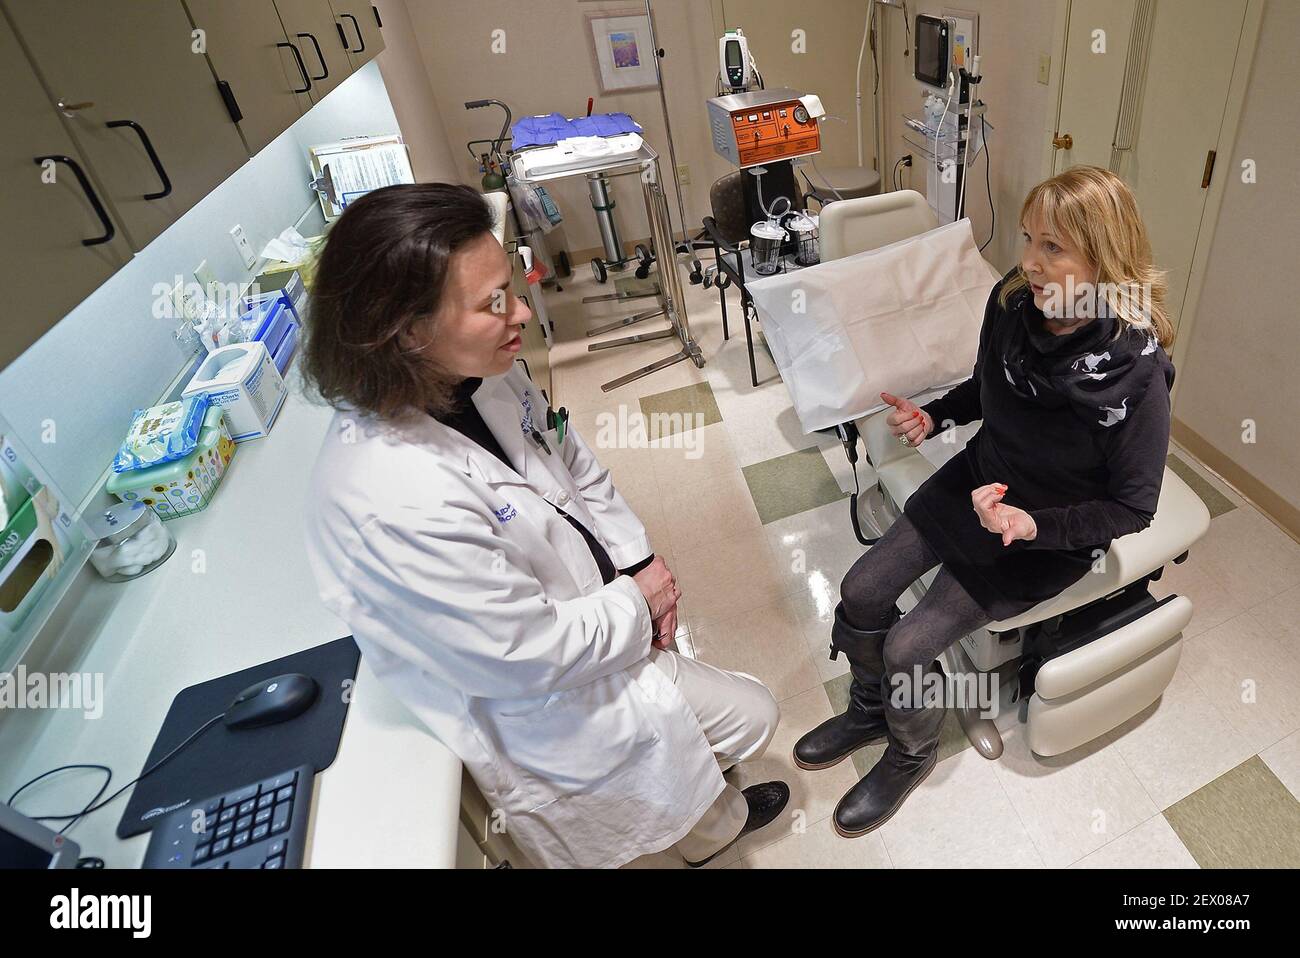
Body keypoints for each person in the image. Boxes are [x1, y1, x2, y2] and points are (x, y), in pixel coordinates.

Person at [300, 183, 788, 868]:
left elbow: (571, 463)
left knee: (697, 761)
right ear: (406, 331)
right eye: (492, 302)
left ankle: (711, 825)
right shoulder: (388, 496)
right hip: (549, 703)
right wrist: (638, 610)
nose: (521, 312)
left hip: (603, 618)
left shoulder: (479, 375)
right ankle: (699, 822)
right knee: (750, 718)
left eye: (511, 287)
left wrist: (639, 561)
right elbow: (524, 653)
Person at [794, 166, 1176, 837]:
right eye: (1030, 239)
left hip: (1044, 531)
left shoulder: (1134, 371)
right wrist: (936, 419)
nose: (1029, 261)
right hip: (979, 479)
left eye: (1053, 247)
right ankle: (868, 707)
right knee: (861, 590)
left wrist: (1033, 524)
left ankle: (910, 751)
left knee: (912, 643)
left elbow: (1130, 508)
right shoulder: (1011, 305)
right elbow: (985, 388)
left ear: (1104, 258)